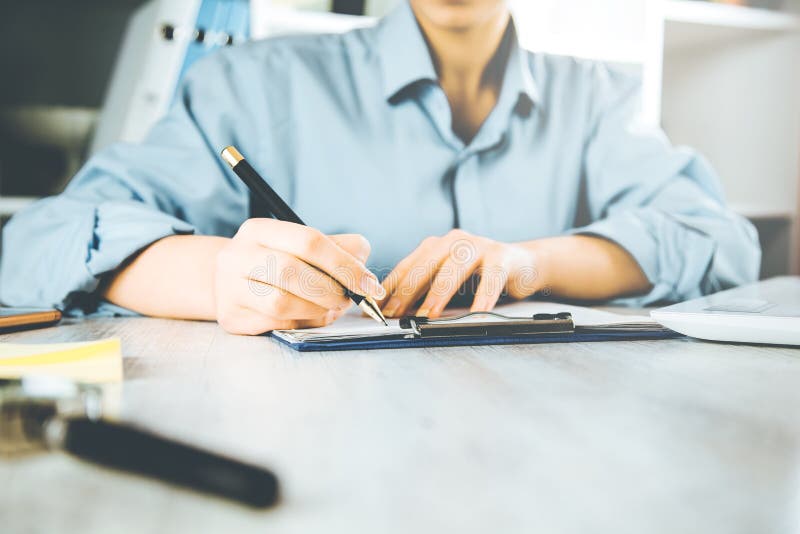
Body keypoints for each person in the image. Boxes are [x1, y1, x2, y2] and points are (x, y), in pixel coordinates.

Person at [0, 0, 760, 335]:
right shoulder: (253, 84)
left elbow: (718, 240)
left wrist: (529, 262)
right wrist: (215, 275)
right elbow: (39, 240)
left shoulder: (598, 97)